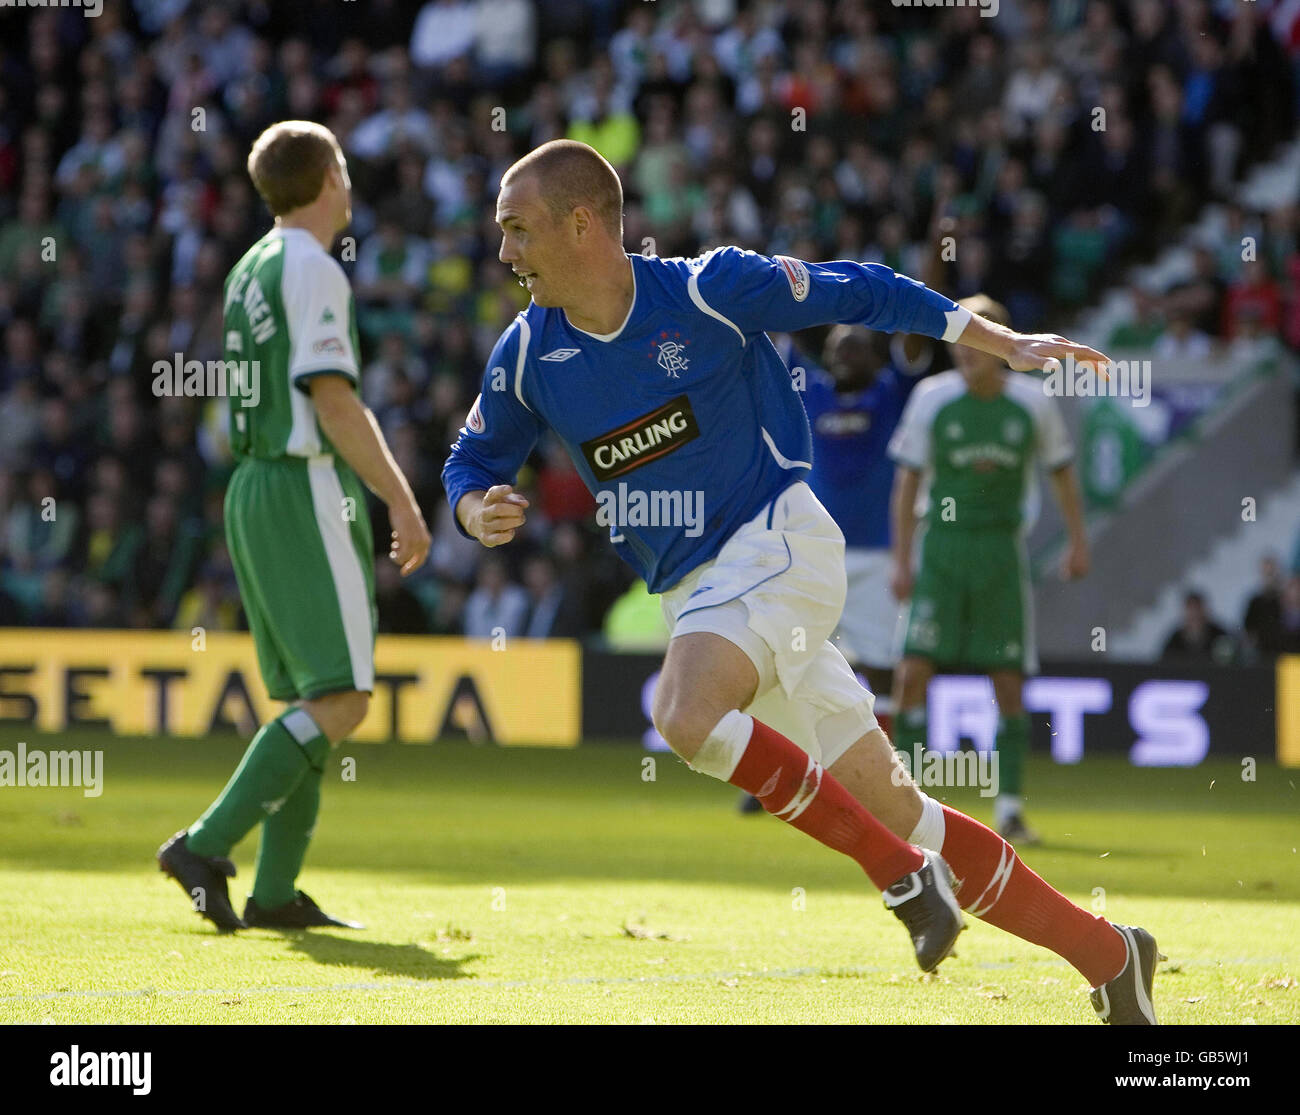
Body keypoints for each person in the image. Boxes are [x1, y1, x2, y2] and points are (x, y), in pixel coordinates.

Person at [442, 140, 1158, 1024]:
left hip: (778, 541)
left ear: (582, 223)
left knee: (683, 715)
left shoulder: (707, 290)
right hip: (702, 596)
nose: (504, 252)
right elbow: (471, 458)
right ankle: (1110, 953)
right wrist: (476, 508)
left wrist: (996, 339)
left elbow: (861, 288)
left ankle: (895, 873)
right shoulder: (526, 353)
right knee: (902, 805)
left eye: (518, 230)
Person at [158, 121, 431, 932]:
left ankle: (275, 893)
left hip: (251, 481)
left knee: (314, 699)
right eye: (343, 171)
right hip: (304, 481)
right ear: (326, 177)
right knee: (344, 698)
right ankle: (203, 845)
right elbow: (331, 396)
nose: (351, 186)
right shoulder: (314, 269)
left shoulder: (250, 267)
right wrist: (401, 500)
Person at [888, 293, 1091, 847]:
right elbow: (906, 484)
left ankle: (1009, 810)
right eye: (956, 338)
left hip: (1002, 553)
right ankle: (903, 803)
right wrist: (901, 559)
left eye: (975, 337)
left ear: (999, 343)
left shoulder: (1033, 405)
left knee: (1008, 680)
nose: (962, 350)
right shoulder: (931, 399)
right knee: (911, 674)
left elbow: (1063, 472)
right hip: (942, 551)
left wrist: (1078, 541)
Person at [1161, 590, 1234, 664]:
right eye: (1191, 611)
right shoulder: (1174, 641)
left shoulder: (1220, 637)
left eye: (1197, 609)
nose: (1194, 615)